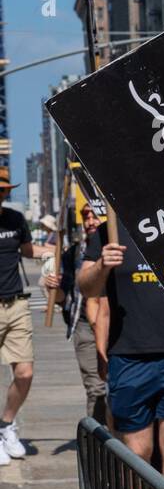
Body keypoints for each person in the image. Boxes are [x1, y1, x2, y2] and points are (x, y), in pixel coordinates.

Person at [77, 222, 164, 489]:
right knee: (137, 452)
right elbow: (86, 288)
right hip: (129, 357)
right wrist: (102, 265)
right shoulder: (108, 231)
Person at [0, 181, 54, 462]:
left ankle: (5, 424)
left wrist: (52, 255)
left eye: (2, 190)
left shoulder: (15, 218)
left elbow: (27, 250)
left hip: (17, 303)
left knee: (24, 373)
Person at [42, 201, 107, 426]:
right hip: (84, 327)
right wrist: (54, 288)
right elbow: (62, 299)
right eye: (86, 216)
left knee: (123, 387)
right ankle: (99, 448)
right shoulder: (72, 254)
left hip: (116, 326)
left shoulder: (119, 246)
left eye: (95, 216)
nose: (90, 221)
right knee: (96, 388)